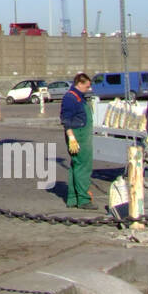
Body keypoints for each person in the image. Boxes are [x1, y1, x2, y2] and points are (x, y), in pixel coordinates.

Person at [59, 72, 95, 208]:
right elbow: (65, 119)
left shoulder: (78, 96)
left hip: (79, 134)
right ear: (79, 84)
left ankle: (73, 198)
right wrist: (71, 137)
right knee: (83, 167)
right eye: (87, 86)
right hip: (79, 135)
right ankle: (84, 199)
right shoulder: (70, 98)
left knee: (76, 166)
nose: (88, 89)